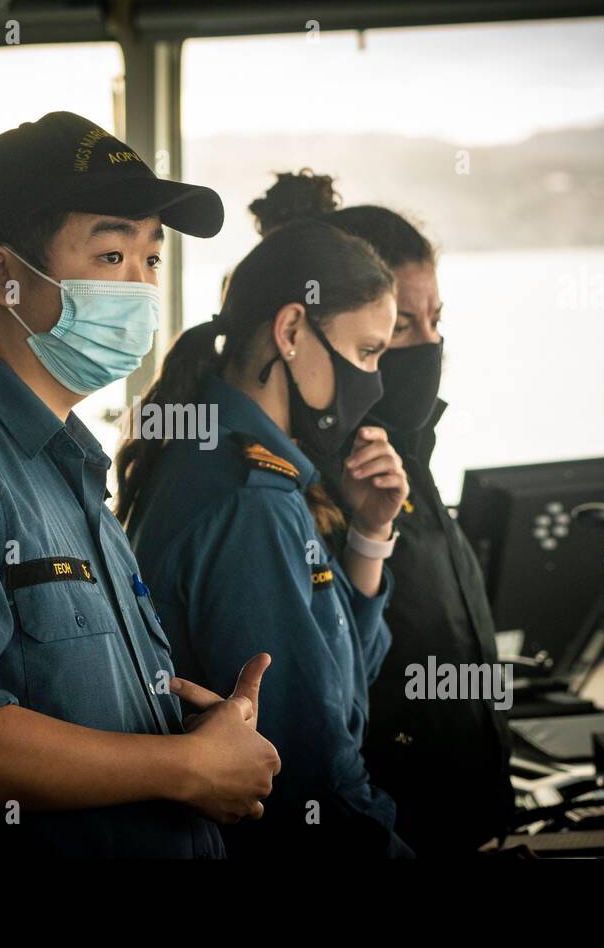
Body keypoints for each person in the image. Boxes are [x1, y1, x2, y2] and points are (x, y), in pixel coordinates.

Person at [0, 111, 281, 858]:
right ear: (5, 276)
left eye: (151, 260)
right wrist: (183, 767)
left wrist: (175, 733)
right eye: (110, 255)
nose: (140, 288)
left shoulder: (65, 463)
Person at [117, 218, 414, 858]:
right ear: (289, 332)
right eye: (366, 352)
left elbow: (334, 687)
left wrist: (369, 531)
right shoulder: (249, 498)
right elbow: (308, 765)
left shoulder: (234, 462)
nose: (374, 381)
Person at [249, 170, 514, 855]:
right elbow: (317, 707)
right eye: (397, 330)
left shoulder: (407, 464)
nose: (427, 345)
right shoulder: (300, 489)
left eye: (435, 321)